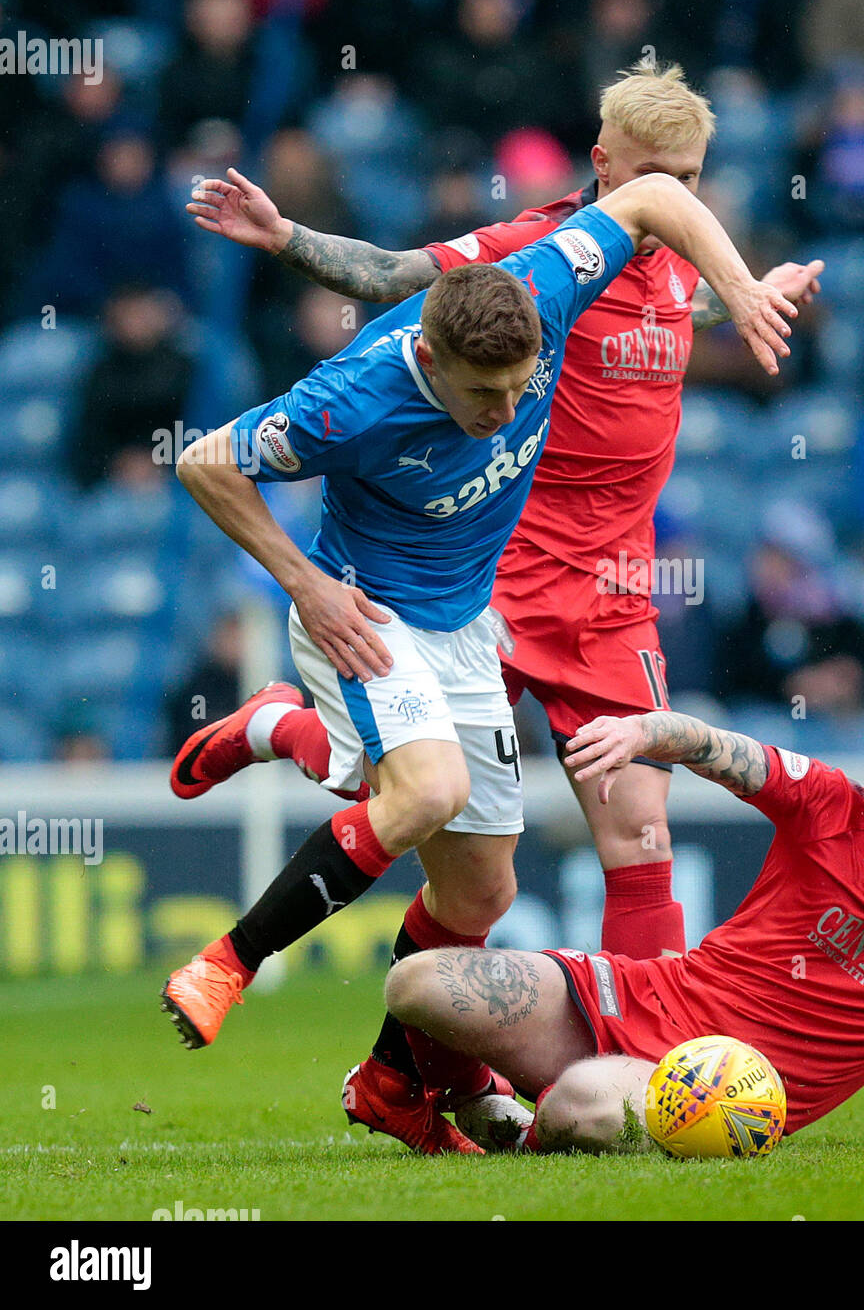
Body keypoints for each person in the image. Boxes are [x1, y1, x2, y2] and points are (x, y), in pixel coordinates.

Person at [160, 161, 796, 1164]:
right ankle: (226, 964)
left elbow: (656, 199)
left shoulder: (541, 285)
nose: (506, 411)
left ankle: (389, 1084)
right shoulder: (356, 398)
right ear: (428, 357)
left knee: (479, 898)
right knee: (425, 791)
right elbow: (204, 461)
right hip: (367, 615)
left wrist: (744, 287)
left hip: (467, 627)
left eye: (519, 386)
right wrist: (308, 588)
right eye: (481, 395)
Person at [176, 60, 822, 969]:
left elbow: (675, 312)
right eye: (652, 178)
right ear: (603, 165)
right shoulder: (539, 249)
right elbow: (401, 277)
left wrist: (746, 295)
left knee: (640, 837)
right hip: (502, 573)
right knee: (408, 786)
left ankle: (638, 1075)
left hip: (616, 586)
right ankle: (289, 726)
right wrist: (286, 237)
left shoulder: (679, 266)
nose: (675, 197)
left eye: (690, 180)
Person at [383, 678, 864, 1152]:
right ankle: (475, 1093)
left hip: (727, 1088)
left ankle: (517, 1131)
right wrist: (641, 731)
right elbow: (717, 747)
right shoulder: (828, 804)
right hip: (643, 990)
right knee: (415, 985)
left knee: (585, 1101)